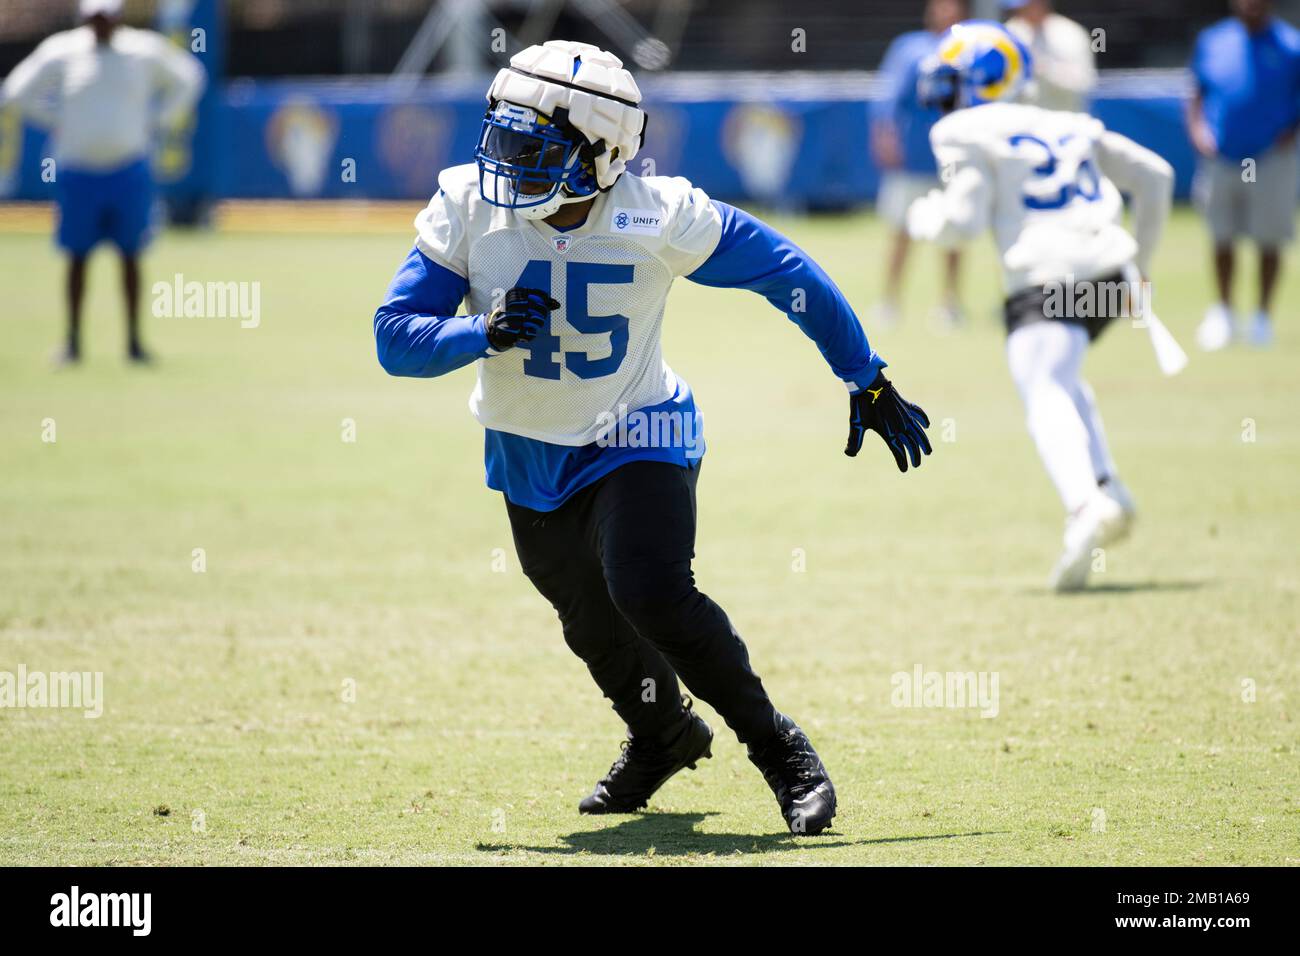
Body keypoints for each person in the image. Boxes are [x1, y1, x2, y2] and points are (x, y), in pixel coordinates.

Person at [372, 40, 933, 835]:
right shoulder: (469, 203)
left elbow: (787, 271)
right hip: (526, 447)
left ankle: (781, 752)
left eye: (532, 149)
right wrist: (479, 333)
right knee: (587, 621)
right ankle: (663, 734)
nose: (506, 162)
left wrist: (863, 373)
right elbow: (394, 337)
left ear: (601, 156)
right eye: (503, 137)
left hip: (640, 428)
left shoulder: (656, 212)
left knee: (649, 590)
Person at [908, 21, 1173, 591]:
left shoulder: (964, 129)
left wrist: (925, 217)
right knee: (1061, 375)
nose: (944, 96)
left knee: (1042, 387)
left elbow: (965, 219)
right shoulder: (1065, 120)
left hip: (1046, 277)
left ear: (982, 81)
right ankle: (1108, 486)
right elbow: (1156, 175)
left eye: (953, 82)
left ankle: (1086, 506)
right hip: (1108, 272)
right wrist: (1141, 267)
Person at [1, 0, 204, 364]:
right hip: (78, 170)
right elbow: (16, 90)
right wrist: (55, 117)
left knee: (131, 256)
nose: (102, 25)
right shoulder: (62, 50)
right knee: (77, 257)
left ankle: (134, 341)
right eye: (96, 18)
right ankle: (73, 341)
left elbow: (190, 77)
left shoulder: (142, 49)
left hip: (129, 169)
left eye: (107, 18)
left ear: (119, 17)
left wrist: (160, 118)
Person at [1188, 0, 1300, 350]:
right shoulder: (1212, 40)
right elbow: (1195, 93)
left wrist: (1290, 131)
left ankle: (1262, 317)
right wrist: (1198, 131)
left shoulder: (1292, 45)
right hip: (1222, 156)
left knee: (1269, 239)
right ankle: (1223, 312)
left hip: (1272, 158)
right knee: (1222, 236)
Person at [871, 0, 968, 329]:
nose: (945, 13)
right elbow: (887, 98)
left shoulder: (969, 48)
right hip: (913, 157)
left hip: (953, 159)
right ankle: (889, 301)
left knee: (953, 233)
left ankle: (950, 303)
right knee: (901, 230)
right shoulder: (909, 47)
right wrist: (885, 134)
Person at [1002, 0, 1097, 113]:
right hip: (1022, 124)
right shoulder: (1008, 32)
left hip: (1066, 122)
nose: (1020, 12)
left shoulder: (1070, 33)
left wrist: (1043, 66)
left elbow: (1084, 83)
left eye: (1026, 6)